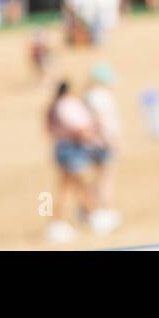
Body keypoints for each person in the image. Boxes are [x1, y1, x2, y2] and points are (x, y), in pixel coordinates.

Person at [44, 80, 101, 243]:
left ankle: (83, 216)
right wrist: (91, 137)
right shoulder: (65, 105)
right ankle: (58, 222)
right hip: (71, 148)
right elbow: (78, 127)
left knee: (71, 185)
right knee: (71, 185)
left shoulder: (55, 107)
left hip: (66, 147)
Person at [82, 63, 122, 234]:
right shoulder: (100, 96)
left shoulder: (88, 95)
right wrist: (113, 141)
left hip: (92, 143)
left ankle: (90, 209)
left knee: (98, 177)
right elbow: (103, 120)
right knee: (105, 178)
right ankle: (102, 211)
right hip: (102, 142)